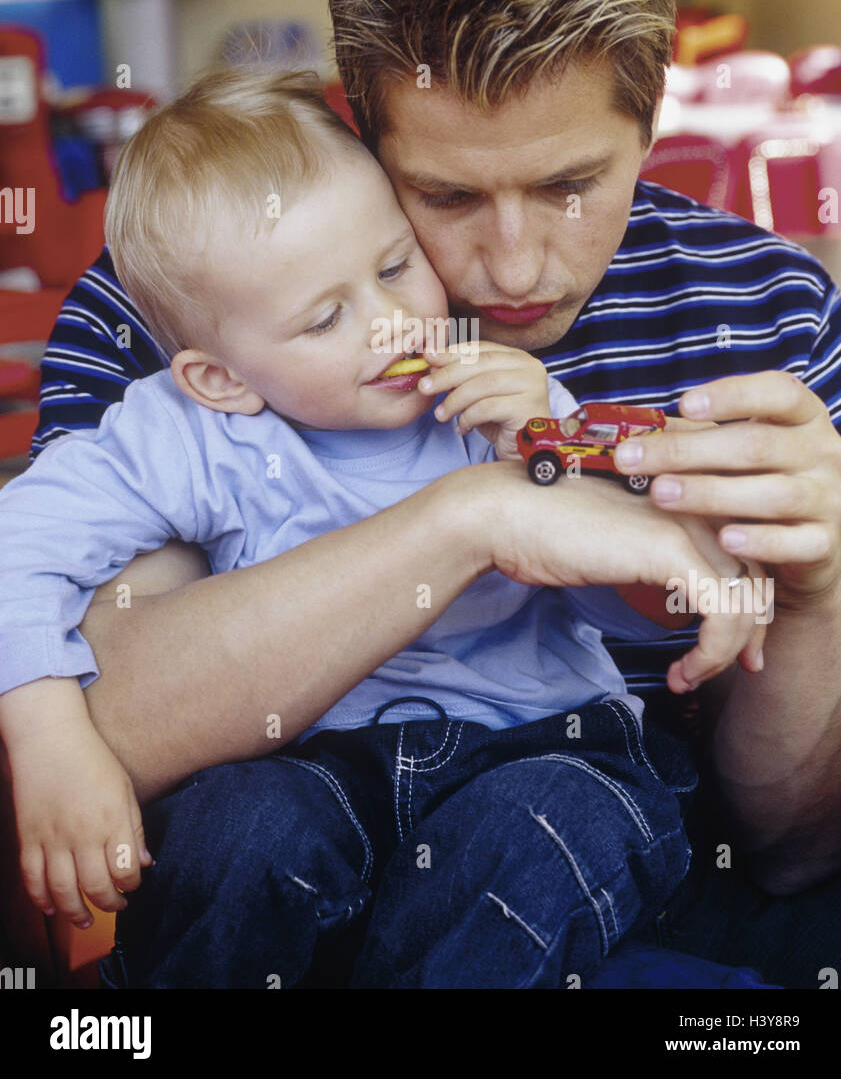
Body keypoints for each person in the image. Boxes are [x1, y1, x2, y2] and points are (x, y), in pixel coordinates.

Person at [26, 0, 841, 988]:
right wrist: (476, 518)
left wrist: (813, 588)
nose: (513, 268)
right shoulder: (192, 305)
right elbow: (116, 723)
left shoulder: (770, 313)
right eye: (446, 199)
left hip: (625, 865)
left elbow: (793, 850)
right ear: (360, 124)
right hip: (300, 890)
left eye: (571, 184)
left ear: (649, 121)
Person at [0, 65, 752, 989]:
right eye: (326, 318)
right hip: (322, 772)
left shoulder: (498, 400)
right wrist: (46, 735)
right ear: (220, 379)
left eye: (397, 266)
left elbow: (638, 611)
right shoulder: (187, 434)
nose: (395, 324)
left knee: (535, 836)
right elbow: (16, 547)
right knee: (234, 831)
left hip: (545, 749)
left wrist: (551, 451)